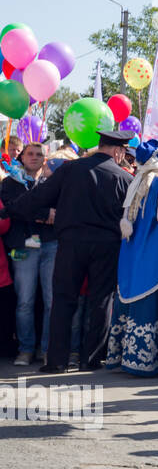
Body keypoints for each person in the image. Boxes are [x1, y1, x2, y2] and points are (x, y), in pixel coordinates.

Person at [7, 129, 134, 372]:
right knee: (101, 301)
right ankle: (92, 360)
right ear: (118, 151)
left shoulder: (70, 169)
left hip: (71, 242)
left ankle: (56, 361)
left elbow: (38, 197)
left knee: (63, 300)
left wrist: (11, 209)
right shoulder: (124, 178)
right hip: (107, 246)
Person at [105, 141, 158, 377]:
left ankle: (125, 358)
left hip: (132, 252)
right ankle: (148, 363)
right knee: (153, 304)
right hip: (155, 254)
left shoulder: (137, 181)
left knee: (132, 302)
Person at [2, 142, 56, 366]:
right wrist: (43, 214)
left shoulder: (52, 183)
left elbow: (60, 209)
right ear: (22, 157)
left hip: (51, 244)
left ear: (45, 158)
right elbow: (12, 209)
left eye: (39, 154)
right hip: (23, 246)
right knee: (25, 301)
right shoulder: (9, 183)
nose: (34, 157)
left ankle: (46, 349)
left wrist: (40, 212)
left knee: (51, 300)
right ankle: (25, 349)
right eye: (30, 154)